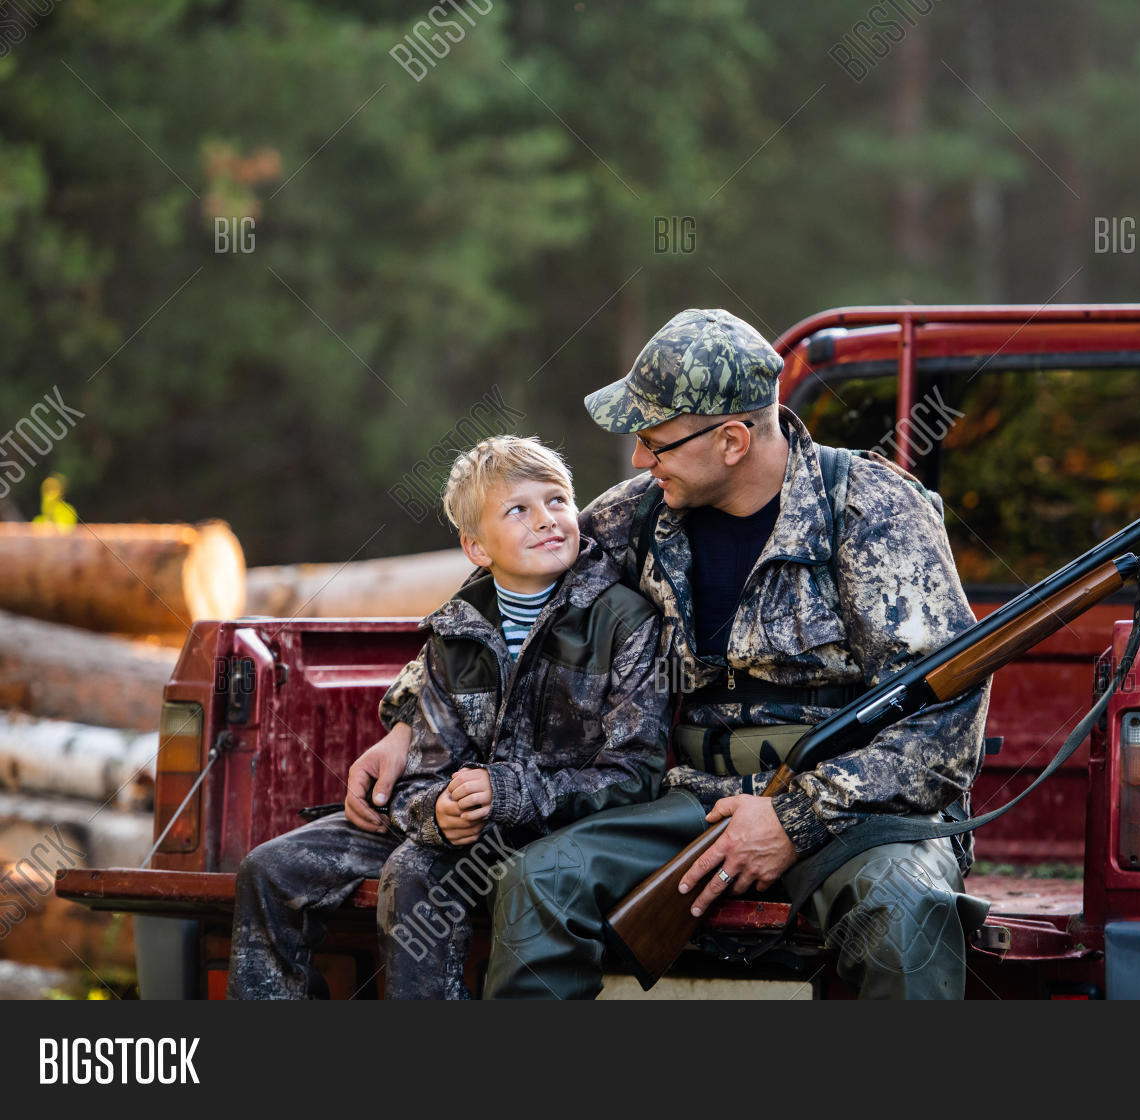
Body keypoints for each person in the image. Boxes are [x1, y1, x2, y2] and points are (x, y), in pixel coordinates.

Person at [350, 309, 991, 999]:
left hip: (859, 811)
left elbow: (944, 720)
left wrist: (794, 819)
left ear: (732, 441)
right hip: (694, 798)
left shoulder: (873, 510)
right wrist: (407, 721)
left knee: (905, 919)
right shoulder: (639, 512)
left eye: (654, 442)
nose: (639, 460)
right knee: (541, 880)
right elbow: (503, 595)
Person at [229, 436, 668, 998]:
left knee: (415, 872)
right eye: (518, 510)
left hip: (557, 831)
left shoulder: (624, 621)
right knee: (269, 869)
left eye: (557, 500)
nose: (546, 519)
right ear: (476, 548)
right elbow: (424, 768)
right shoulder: (456, 633)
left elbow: (634, 775)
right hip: (464, 829)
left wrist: (504, 794)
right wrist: (436, 813)